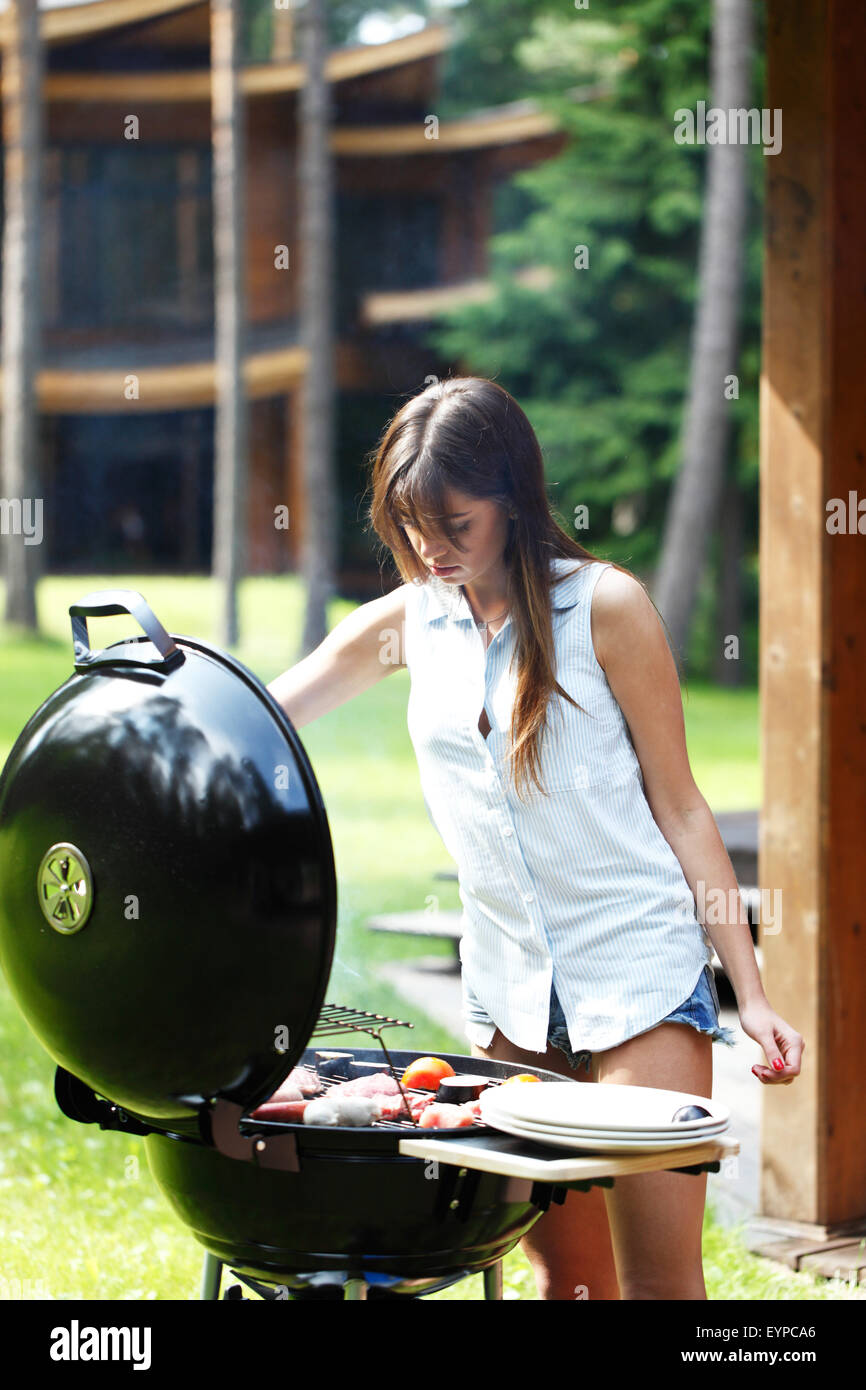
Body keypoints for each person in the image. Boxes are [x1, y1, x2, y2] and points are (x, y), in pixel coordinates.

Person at [267, 375, 804, 1301]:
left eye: (454, 524)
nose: (431, 549)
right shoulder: (407, 626)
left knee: (659, 1287)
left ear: (512, 501)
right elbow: (266, 713)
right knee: (570, 1282)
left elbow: (681, 806)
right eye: (411, 525)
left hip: (638, 974)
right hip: (509, 996)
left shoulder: (605, 608)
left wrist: (748, 993)